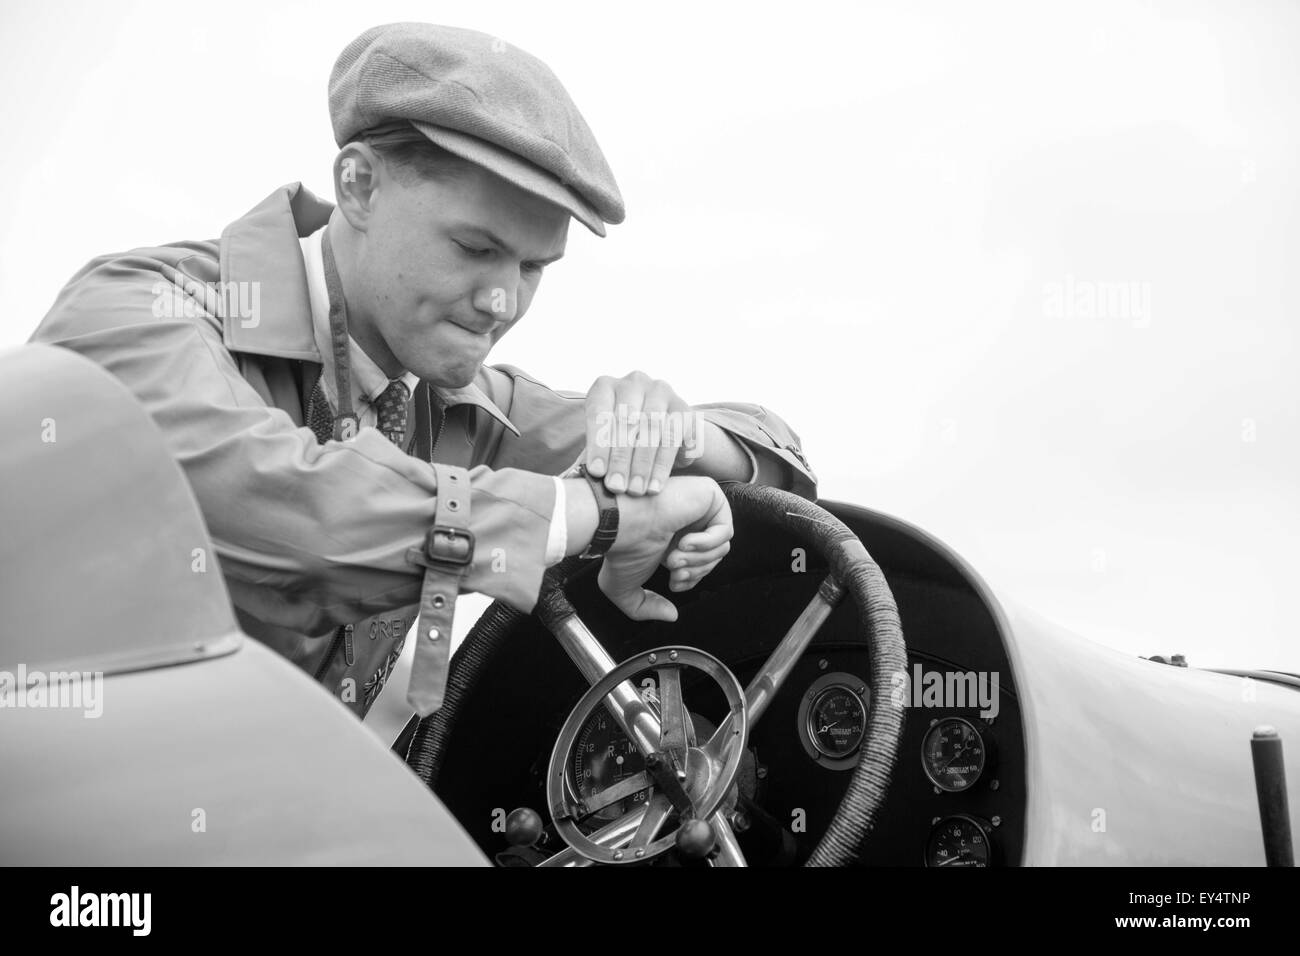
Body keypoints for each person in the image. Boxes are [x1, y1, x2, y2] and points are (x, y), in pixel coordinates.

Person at [29, 22, 817, 719]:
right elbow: (298, 517)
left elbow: (775, 456)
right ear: (359, 184)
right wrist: (602, 516)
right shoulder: (137, 312)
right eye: (475, 249)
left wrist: (671, 444)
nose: (501, 301)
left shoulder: (465, 409)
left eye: (534, 267)